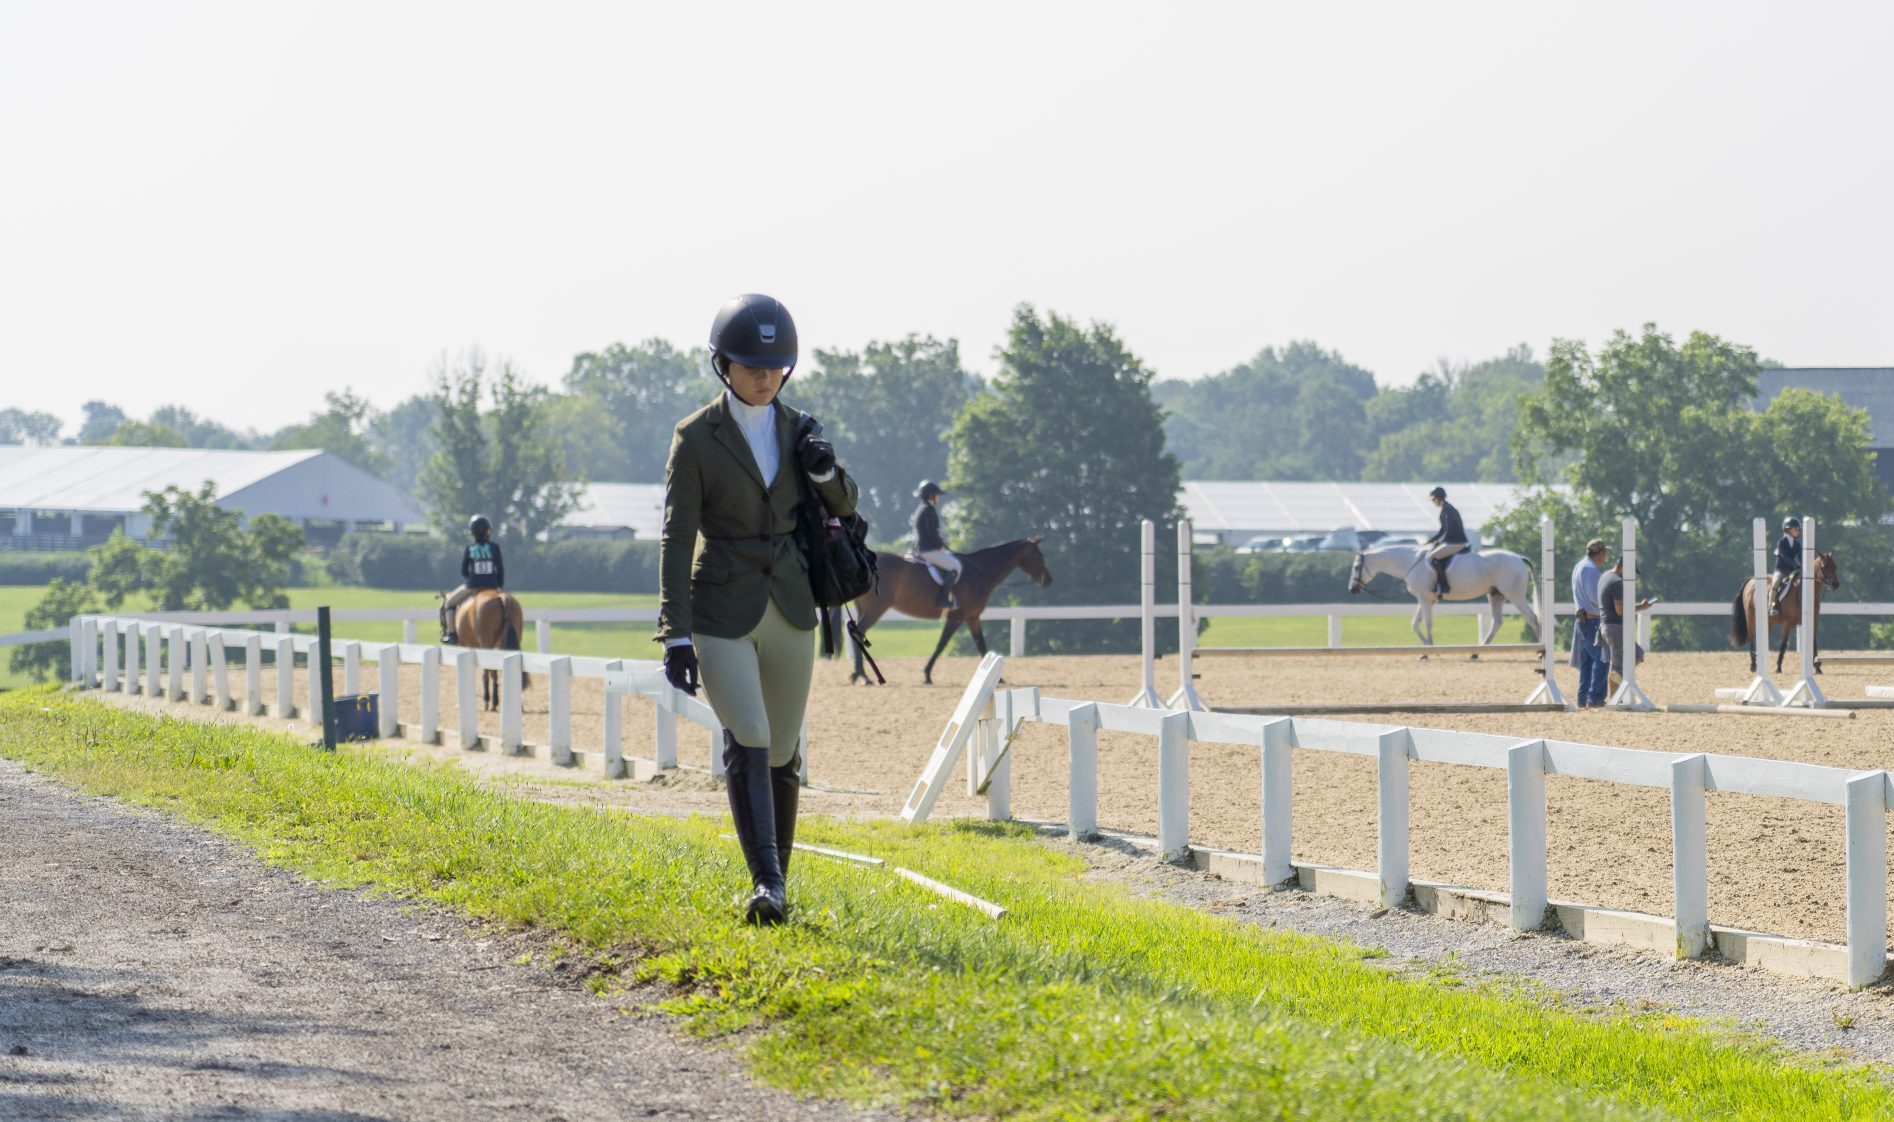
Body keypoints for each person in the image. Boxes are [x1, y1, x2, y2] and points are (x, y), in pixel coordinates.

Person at [655, 293, 859, 926]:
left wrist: (824, 472)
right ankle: (766, 883)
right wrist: (675, 633)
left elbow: (846, 505)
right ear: (722, 365)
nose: (764, 376)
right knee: (750, 735)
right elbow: (675, 534)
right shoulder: (695, 437)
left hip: (792, 605)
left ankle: (779, 884)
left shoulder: (801, 427)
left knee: (783, 749)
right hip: (721, 605)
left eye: (775, 366)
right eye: (751, 366)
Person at [440, 515, 503, 644]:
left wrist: (474, 579)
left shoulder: (470, 549)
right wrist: (498, 586)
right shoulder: (494, 548)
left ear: (472, 533)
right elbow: (500, 570)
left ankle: (452, 635)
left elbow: (464, 571)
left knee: (449, 603)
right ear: (488, 531)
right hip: (492, 586)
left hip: (473, 586)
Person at [1596, 554, 1653, 695]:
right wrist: (1638, 608)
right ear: (1624, 567)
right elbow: (1620, 610)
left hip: (1606, 627)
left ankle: (1616, 694)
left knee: (1637, 654)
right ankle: (1615, 698)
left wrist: (1640, 607)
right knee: (1617, 668)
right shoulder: (1616, 583)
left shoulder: (1605, 576)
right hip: (1615, 628)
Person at [1568, 538, 1610, 708]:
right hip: (1592, 619)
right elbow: (1595, 597)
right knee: (1602, 658)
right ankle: (1595, 698)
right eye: (1605, 554)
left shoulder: (1580, 566)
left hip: (1582, 619)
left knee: (1587, 661)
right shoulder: (1591, 570)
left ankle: (1583, 697)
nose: (1605, 558)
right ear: (1600, 553)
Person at [910, 481, 962, 610]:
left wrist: (941, 541)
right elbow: (930, 532)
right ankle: (944, 599)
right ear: (931, 496)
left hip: (920, 547)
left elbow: (928, 532)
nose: (938, 498)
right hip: (927, 549)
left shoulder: (921, 508)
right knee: (956, 566)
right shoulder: (928, 510)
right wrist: (940, 544)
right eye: (937, 495)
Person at [1422, 486, 1468, 595]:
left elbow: (1449, 532)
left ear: (1438, 498)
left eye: (1433, 500)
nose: (1433, 502)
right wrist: (1430, 542)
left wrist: (1438, 543)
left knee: (1432, 556)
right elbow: (1442, 531)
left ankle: (1443, 586)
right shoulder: (1445, 510)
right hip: (1452, 541)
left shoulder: (1448, 510)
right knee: (1432, 552)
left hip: (1457, 542)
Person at [1771, 517, 1802, 613]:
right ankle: (1772, 604)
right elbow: (1783, 556)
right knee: (1776, 582)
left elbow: (1801, 557)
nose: (1797, 531)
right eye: (1795, 529)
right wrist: (1794, 564)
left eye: (1798, 530)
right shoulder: (1781, 542)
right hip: (1781, 569)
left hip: (1791, 570)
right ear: (1788, 530)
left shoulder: (1797, 544)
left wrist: (1805, 566)